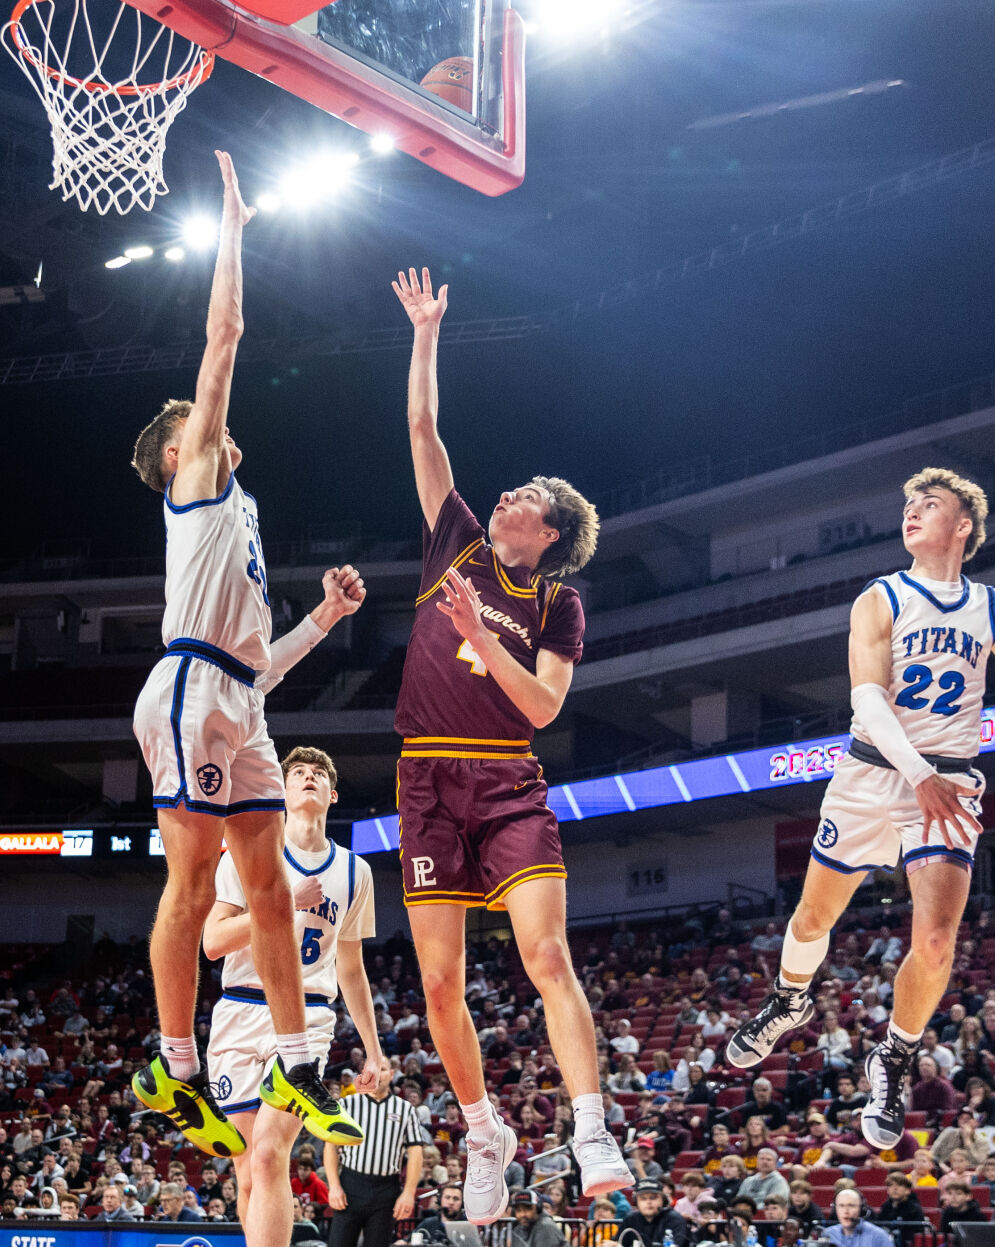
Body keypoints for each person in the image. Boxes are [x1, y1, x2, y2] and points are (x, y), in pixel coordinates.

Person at [723, 467, 995, 1151]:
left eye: (928, 504)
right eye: (907, 503)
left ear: (963, 525)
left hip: (949, 783)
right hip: (876, 772)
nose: (911, 512)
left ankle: (893, 1056)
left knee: (935, 940)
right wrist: (916, 770)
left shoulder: (992, 608)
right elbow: (867, 700)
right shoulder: (881, 597)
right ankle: (790, 1000)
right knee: (813, 914)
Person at [127, 150, 363, 1158]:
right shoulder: (197, 485)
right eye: (198, 425)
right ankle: (172, 1064)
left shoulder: (239, 510)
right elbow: (223, 335)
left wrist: (320, 621)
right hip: (185, 686)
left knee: (263, 884)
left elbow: (258, 664)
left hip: (237, 694)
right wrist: (233, 226)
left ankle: (300, 1057)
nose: (215, 425)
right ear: (177, 454)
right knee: (190, 883)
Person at [389, 266, 629, 1218]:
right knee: (440, 981)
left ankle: (590, 1127)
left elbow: (542, 709)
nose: (505, 498)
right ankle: (485, 1126)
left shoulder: (557, 602)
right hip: (422, 780)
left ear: (553, 528)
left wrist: (484, 640)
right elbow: (423, 432)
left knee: (546, 959)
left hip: (508, 781)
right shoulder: (452, 539)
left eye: (526, 496)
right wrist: (425, 333)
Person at [202, 746, 384, 1247]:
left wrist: (373, 1047)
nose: (308, 778)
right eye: (298, 773)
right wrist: (279, 903)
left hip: (306, 1018)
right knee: (245, 1170)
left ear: (332, 794)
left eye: (318, 774)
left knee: (269, 1153)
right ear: (282, 791)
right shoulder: (248, 855)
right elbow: (213, 942)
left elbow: (351, 966)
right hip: (240, 1009)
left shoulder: (355, 872)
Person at [325, 1076, 428, 1247]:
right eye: (374, 1070)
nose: (378, 1075)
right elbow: (330, 1147)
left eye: (383, 1069)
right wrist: (334, 1186)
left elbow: (416, 1153)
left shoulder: (405, 1108)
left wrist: (409, 1193)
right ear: (364, 1073)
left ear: (392, 1073)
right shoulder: (347, 1104)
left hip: (386, 1189)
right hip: (350, 1185)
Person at [825, 1189, 895, 1247]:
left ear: (861, 1209)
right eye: (841, 1205)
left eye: (851, 1206)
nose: (845, 1211)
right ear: (835, 1209)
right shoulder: (827, 1235)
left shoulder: (879, 1236)